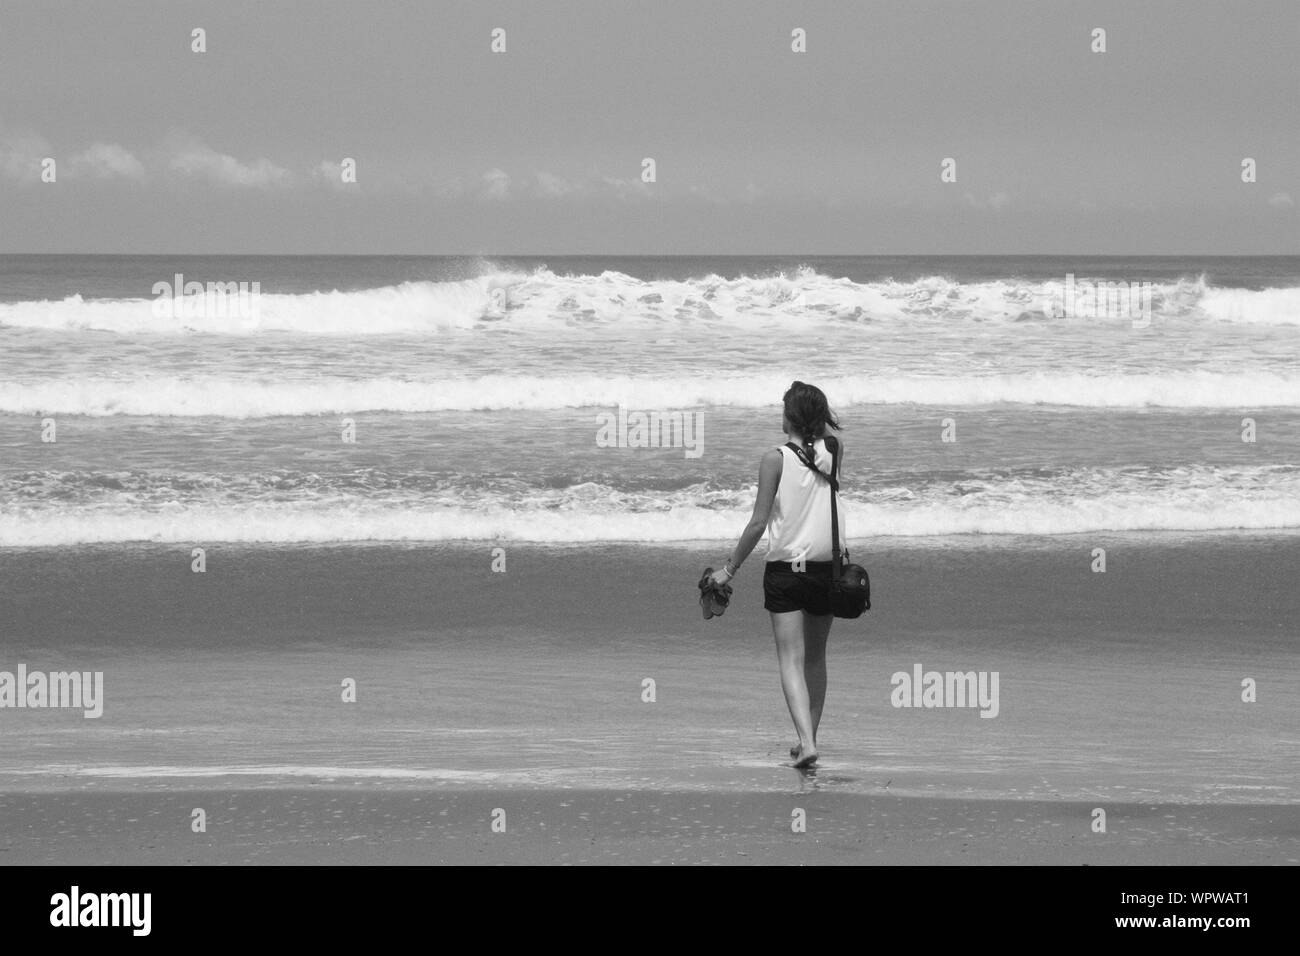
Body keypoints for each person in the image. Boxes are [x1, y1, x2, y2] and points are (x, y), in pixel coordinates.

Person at [711, 381, 844, 769]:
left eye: (784, 407)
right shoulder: (835, 451)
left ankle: (806, 741)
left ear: (790, 415)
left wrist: (729, 569)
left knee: (790, 658)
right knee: (815, 659)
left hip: (786, 569)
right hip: (825, 568)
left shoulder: (774, 459)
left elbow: (757, 524)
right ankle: (808, 739)